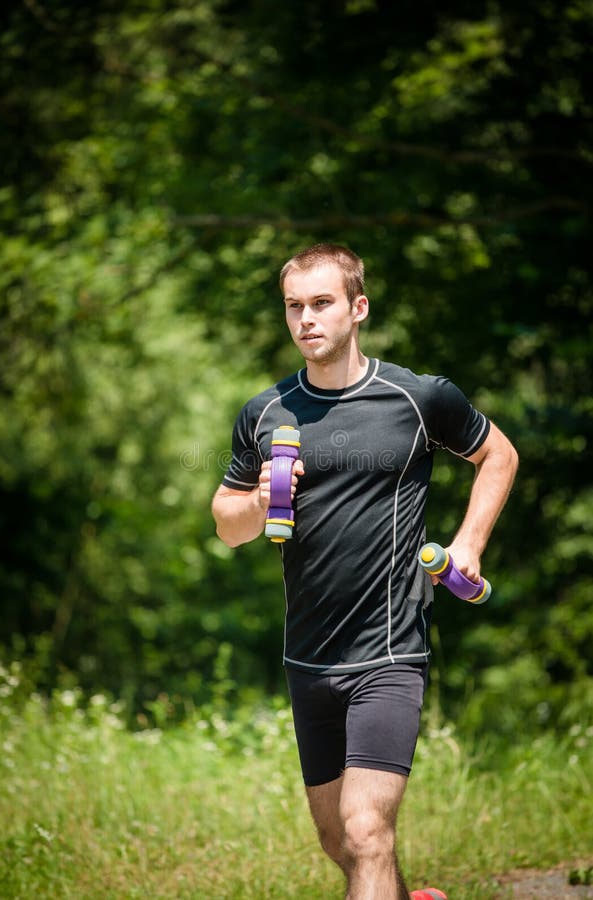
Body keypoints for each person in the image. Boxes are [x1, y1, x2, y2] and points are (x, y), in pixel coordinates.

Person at [211, 244, 518, 900]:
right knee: (339, 844)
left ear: (357, 308)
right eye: (293, 306)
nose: (306, 319)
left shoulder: (417, 398)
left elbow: (497, 455)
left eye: (321, 303)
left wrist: (469, 542)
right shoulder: (266, 413)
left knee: (366, 831)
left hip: (389, 651)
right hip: (307, 658)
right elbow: (226, 524)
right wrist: (261, 499)